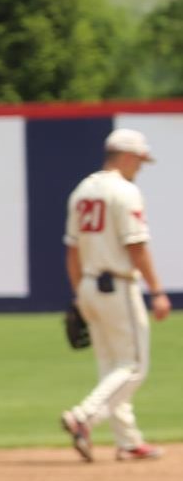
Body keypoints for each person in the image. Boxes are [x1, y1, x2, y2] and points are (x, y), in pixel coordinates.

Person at [60, 127, 170, 463]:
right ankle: (84, 417)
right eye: (139, 159)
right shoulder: (125, 192)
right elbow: (136, 246)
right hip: (118, 285)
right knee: (134, 366)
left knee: (112, 367)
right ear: (126, 156)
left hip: (90, 284)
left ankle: (128, 441)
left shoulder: (83, 191)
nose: (140, 166)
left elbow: (72, 251)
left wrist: (80, 294)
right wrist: (158, 291)